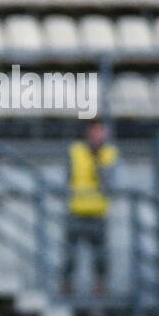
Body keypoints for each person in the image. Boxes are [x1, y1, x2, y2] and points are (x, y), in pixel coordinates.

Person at [64, 120, 119, 298]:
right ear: (88, 133)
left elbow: (109, 182)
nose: (98, 136)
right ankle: (66, 287)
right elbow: (68, 177)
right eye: (96, 132)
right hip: (77, 210)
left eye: (101, 132)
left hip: (98, 212)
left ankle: (100, 290)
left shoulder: (109, 153)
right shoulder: (76, 151)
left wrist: (99, 161)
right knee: (70, 255)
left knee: (100, 257)